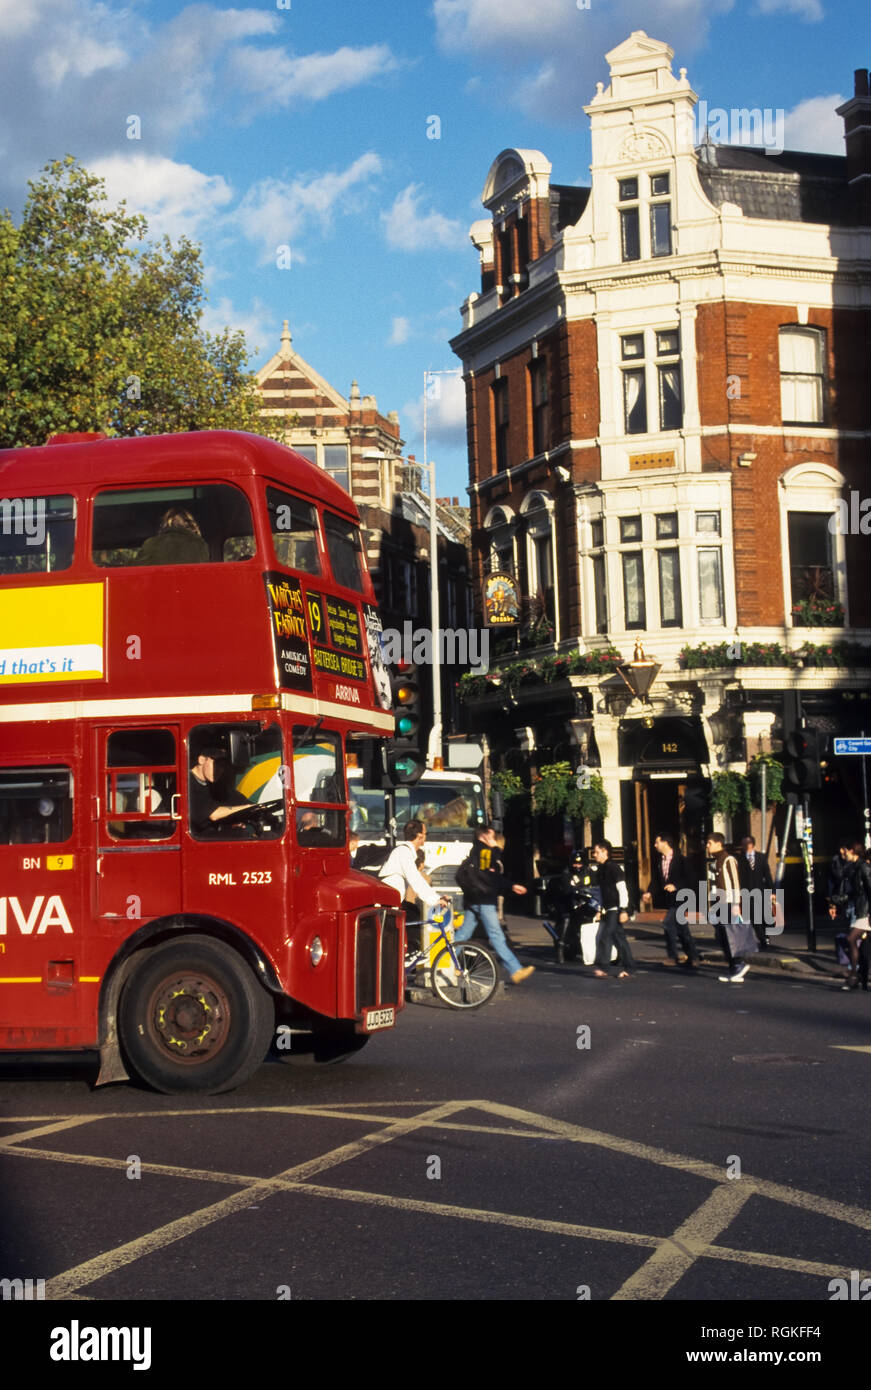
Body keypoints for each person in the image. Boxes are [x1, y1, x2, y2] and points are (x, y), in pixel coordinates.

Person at [453, 826, 534, 984]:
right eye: (491, 836)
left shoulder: (476, 852)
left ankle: (446, 962)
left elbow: (490, 876)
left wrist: (511, 886)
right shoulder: (484, 851)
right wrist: (496, 848)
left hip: (474, 900)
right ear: (483, 836)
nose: (494, 839)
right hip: (484, 900)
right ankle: (515, 970)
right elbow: (489, 872)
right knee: (496, 935)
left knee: (463, 934)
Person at [378, 821, 451, 948]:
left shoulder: (406, 852)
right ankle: (409, 954)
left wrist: (435, 897)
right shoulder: (403, 852)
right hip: (389, 903)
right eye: (425, 833)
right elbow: (415, 878)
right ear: (420, 836)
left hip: (393, 902)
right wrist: (435, 899)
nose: (426, 836)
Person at [642, 832, 698, 967]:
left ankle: (673, 957)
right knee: (682, 928)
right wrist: (649, 892)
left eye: (657, 842)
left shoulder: (681, 860)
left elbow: (691, 879)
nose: (655, 845)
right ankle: (693, 956)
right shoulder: (659, 861)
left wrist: (676, 886)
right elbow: (656, 880)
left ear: (665, 843)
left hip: (682, 898)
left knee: (668, 923)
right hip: (670, 900)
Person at [706, 832, 749, 983]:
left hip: (729, 903)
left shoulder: (728, 860)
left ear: (719, 843)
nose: (707, 845)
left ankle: (738, 964)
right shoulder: (717, 861)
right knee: (721, 934)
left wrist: (736, 904)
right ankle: (733, 967)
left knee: (729, 935)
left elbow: (735, 883)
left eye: (710, 843)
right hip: (720, 902)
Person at [590, 840, 635, 979]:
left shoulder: (614, 868)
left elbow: (622, 889)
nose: (594, 855)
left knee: (606, 936)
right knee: (619, 939)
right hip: (608, 908)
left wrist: (624, 909)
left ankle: (604, 967)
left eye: (597, 852)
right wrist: (599, 909)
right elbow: (602, 893)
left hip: (616, 908)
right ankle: (630, 967)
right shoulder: (601, 870)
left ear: (605, 852)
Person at [189, 748, 252, 836]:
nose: (220, 770)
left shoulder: (213, 784)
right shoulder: (186, 783)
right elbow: (214, 814)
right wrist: (246, 808)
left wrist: (257, 807)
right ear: (202, 760)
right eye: (217, 764)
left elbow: (235, 798)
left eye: (223, 766)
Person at [840, 841, 871, 990]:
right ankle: (862, 979)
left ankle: (854, 975)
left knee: (851, 939)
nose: (844, 853)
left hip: (865, 911)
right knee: (865, 947)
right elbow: (854, 891)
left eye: (846, 850)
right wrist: (838, 901)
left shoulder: (864, 867)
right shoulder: (854, 867)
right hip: (860, 909)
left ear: (852, 851)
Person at [737, 835, 776, 949]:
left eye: (744, 844)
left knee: (765, 916)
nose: (742, 847)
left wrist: (772, 891)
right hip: (747, 893)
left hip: (761, 891)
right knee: (754, 918)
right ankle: (763, 940)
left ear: (750, 845)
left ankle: (766, 935)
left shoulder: (761, 857)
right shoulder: (740, 859)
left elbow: (767, 875)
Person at [139, 507, 209, 565]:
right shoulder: (199, 544)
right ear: (189, 524)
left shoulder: (151, 543)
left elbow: (137, 569)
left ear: (165, 524)